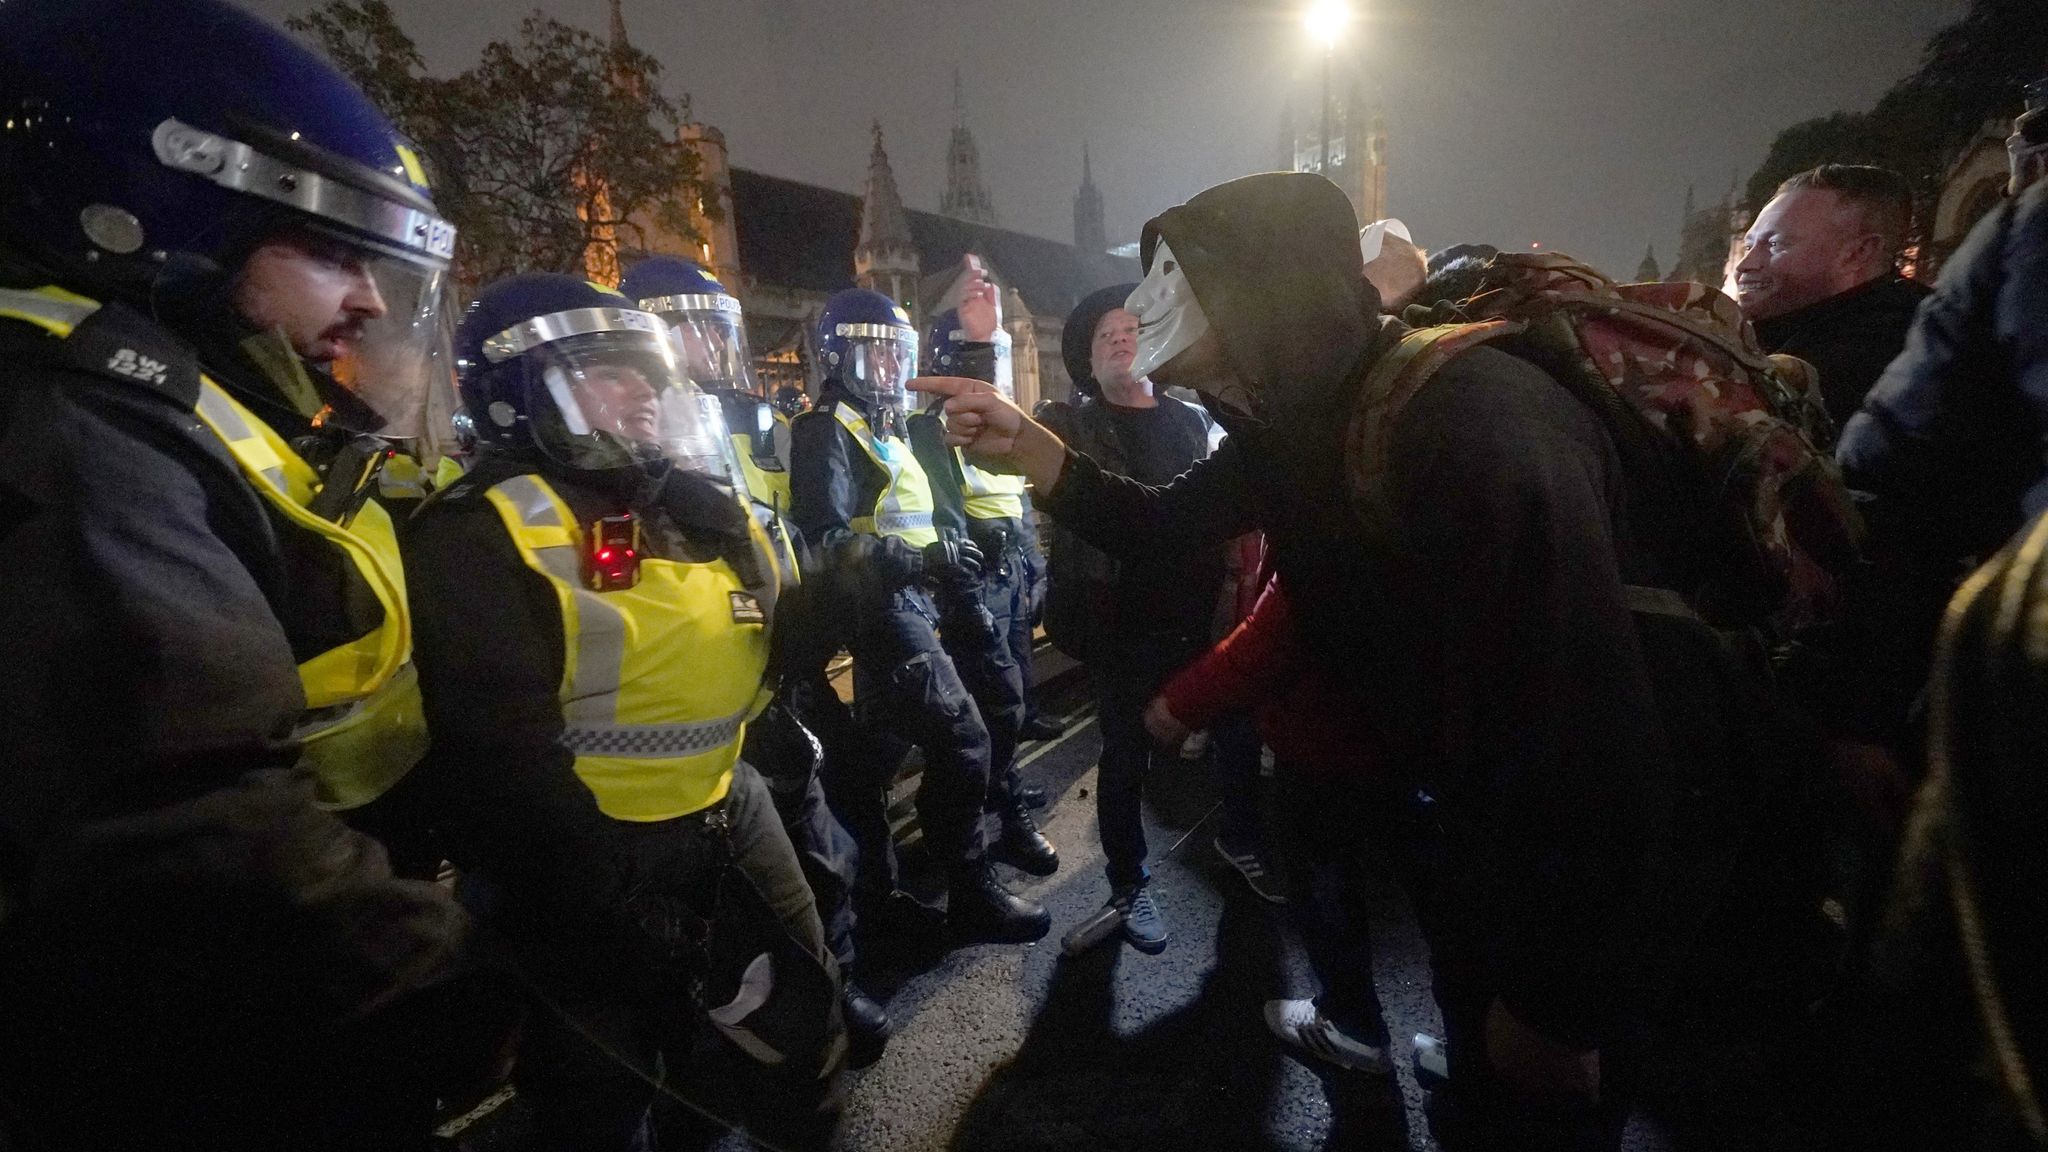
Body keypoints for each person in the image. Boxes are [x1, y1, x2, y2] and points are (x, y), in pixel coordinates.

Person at [918, 171, 1691, 1150]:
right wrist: (1030, 446)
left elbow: (1592, 731)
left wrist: (1555, 1006)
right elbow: (1164, 523)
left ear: (1266, 292)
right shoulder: (1298, 420)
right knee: (1477, 1065)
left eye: (1179, 274)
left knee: (1541, 1099)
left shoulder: (1468, 420)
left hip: (1574, 859)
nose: (1145, 304)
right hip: (1457, 808)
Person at [0, 1, 484, 1146]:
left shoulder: (168, 394)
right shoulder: (77, 423)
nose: (368, 299)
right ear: (159, 207)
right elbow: (197, 830)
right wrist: (446, 971)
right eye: (328, 247)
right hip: (204, 1048)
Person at [406, 274, 848, 1150]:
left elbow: (753, 667)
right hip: (578, 853)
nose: (646, 389)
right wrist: (602, 900)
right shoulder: (475, 530)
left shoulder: (693, 505)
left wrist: (826, 613)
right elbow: (501, 753)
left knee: (799, 1008)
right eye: (609, 373)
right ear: (520, 394)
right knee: (599, 1087)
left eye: (647, 373)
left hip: (727, 807)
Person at [622, 255, 893, 1061]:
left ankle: (835, 989)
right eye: (694, 330)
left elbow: (779, 532)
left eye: (719, 330)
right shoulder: (628, 441)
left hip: (775, 661)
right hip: (696, 697)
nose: (714, 348)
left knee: (820, 846)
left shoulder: (751, 425)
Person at [789, 287, 1051, 944]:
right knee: (962, 738)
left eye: (892, 357)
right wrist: (912, 559)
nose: (885, 372)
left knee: (870, 761)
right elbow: (825, 536)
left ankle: (881, 897)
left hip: (909, 599)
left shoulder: (886, 428)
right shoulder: (827, 428)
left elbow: (914, 513)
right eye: (870, 356)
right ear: (837, 358)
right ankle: (966, 886)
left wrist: (944, 548)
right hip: (880, 609)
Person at [1035, 283, 1226, 954]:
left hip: (1194, 617)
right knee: (1122, 759)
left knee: (1215, 730)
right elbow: (1026, 449)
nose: (1119, 337)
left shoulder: (1191, 420)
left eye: (1131, 328)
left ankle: (1234, 842)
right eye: (1103, 335)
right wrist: (983, 349)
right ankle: (1129, 882)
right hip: (1116, 624)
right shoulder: (1070, 422)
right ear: (1087, 360)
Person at [918, 264, 1060, 882]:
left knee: (1013, 697)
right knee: (992, 708)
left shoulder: (988, 424)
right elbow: (950, 514)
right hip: (976, 573)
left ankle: (1002, 791)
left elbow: (1016, 496)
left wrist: (1032, 565)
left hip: (1009, 564)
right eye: (985, 364)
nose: (994, 382)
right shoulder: (935, 428)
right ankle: (987, 822)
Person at [1732, 164, 1930, 427]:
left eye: (1775, 244)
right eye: (1749, 245)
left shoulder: (1887, 358)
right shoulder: (1783, 333)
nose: (1745, 264)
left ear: (1858, 253)